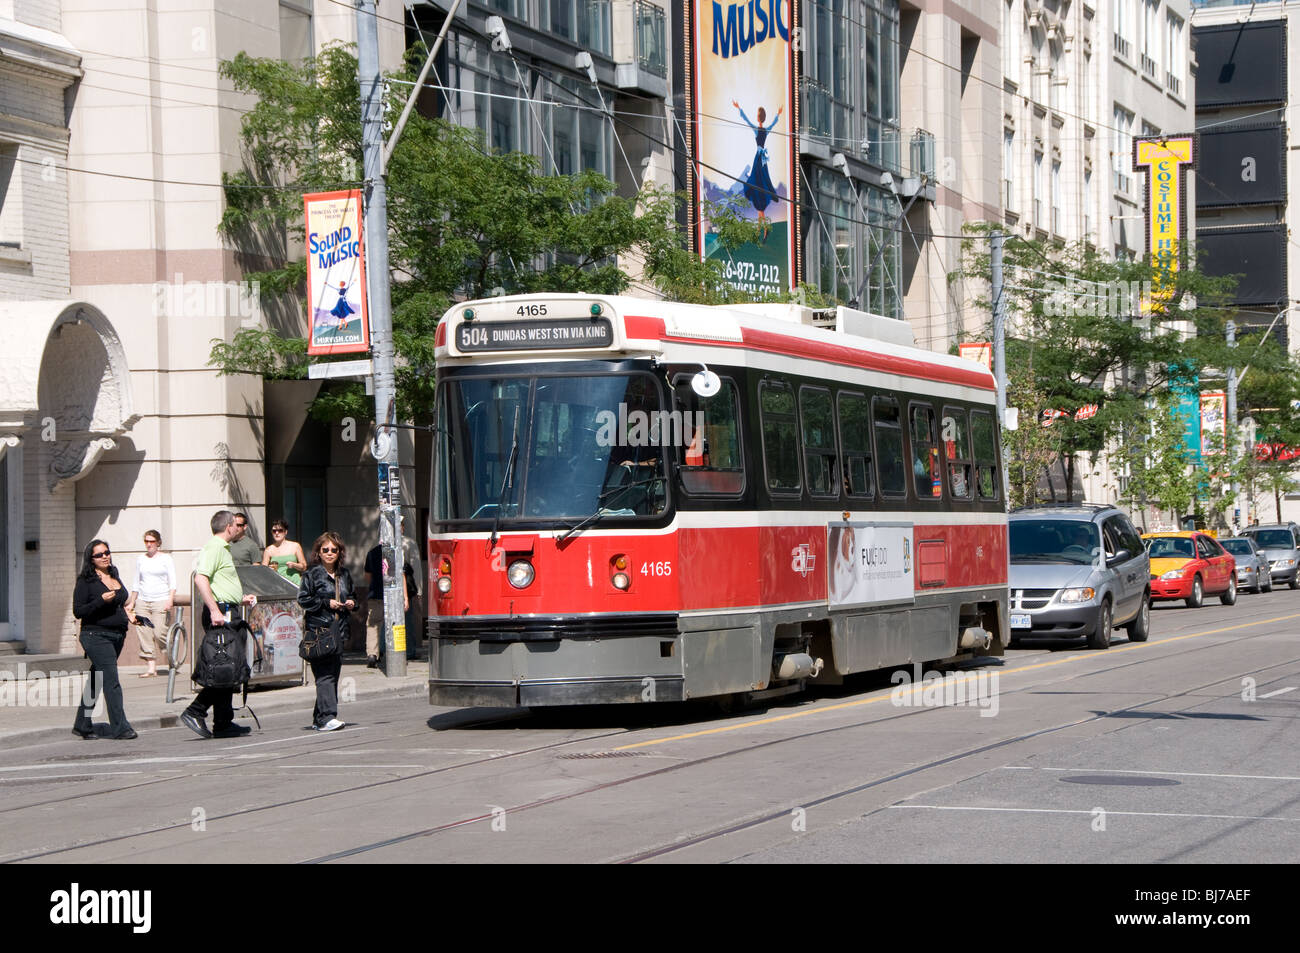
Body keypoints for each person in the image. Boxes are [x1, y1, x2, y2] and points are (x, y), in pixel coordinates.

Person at [180, 510, 256, 739]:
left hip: (228, 609)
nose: (238, 529)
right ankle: (196, 710)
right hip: (221, 614)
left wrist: (239, 599)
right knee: (225, 665)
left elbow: (218, 583)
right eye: (236, 525)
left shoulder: (223, 548)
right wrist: (215, 609)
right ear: (229, 526)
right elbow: (200, 578)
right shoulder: (214, 547)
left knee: (228, 666)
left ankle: (223, 722)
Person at [72, 539, 139, 740]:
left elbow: (121, 602)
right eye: (99, 555)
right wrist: (100, 600)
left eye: (107, 552)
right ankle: (121, 728)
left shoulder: (114, 574)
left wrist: (129, 615)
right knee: (111, 681)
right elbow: (78, 611)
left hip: (117, 635)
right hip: (95, 636)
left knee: (96, 679)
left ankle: (82, 724)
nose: (105, 557)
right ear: (91, 559)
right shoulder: (86, 581)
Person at [297, 532, 356, 731]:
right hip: (319, 631)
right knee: (324, 675)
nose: (330, 553)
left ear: (339, 553)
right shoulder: (312, 574)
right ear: (319, 553)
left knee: (333, 675)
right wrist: (325, 602)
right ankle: (327, 717)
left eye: (334, 550)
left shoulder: (344, 574)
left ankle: (319, 717)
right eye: (326, 550)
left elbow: (353, 595)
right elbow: (303, 599)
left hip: (338, 630)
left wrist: (351, 602)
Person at [125, 529, 176, 678]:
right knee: (144, 633)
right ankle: (151, 668)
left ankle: (170, 650)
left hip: (161, 599)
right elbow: (136, 582)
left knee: (159, 632)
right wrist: (132, 602)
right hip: (143, 600)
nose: (149, 544)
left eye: (152, 541)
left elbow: (172, 581)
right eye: (146, 541)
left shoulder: (166, 559)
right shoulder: (141, 559)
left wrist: (170, 599)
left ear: (158, 543)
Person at [731, 100, 783, 232]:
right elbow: (773, 123)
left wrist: (739, 108)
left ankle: (762, 228)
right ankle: (762, 228)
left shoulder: (757, 129)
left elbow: (747, 121)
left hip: (759, 159)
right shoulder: (765, 130)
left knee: (757, 181)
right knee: (761, 182)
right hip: (762, 160)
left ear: (758, 117)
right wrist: (778, 114)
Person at [363, 541, 410, 668]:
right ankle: (398, 653)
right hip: (394, 596)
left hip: (375, 594)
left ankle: (372, 654)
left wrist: (374, 586)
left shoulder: (372, 553)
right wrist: (405, 597)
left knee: (373, 625)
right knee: (396, 625)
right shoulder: (396, 552)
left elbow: (367, 576)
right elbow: (402, 576)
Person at [262, 519, 307, 585]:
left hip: (295, 583)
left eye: (280, 530)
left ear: (285, 532)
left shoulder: (295, 546)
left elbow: (304, 567)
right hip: (278, 585)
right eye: (274, 531)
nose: (277, 533)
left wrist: (294, 565)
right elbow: (263, 570)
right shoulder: (268, 550)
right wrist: (269, 569)